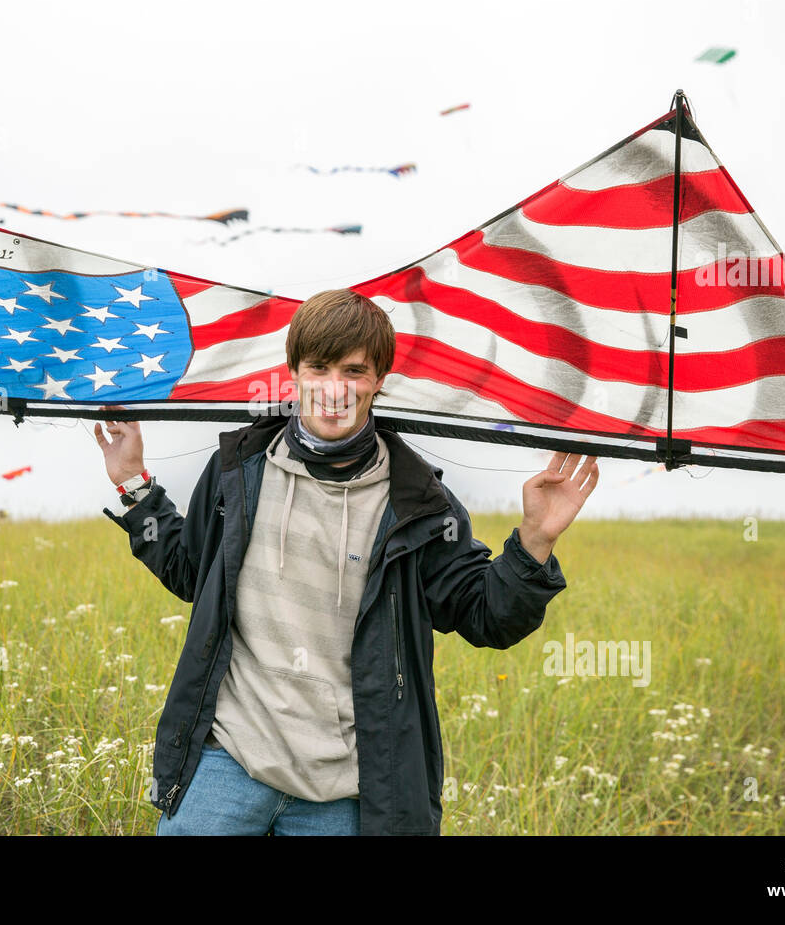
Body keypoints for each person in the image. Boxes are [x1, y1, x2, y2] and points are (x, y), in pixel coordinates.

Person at [96, 289, 598, 835]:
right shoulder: (237, 470)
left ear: (380, 379)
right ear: (293, 372)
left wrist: (535, 541)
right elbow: (193, 572)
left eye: (355, 371)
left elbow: (485, 616)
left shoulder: (420, 505)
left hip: (348, 789)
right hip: (228, 759)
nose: (335, 389)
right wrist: (132, 484)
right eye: (319, 367)